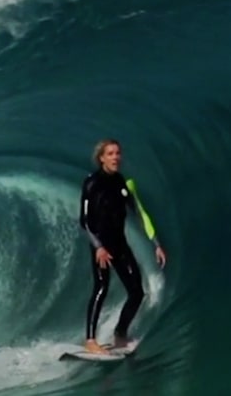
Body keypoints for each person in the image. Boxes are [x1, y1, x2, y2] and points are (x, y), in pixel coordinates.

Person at [78, 138, 167, 355]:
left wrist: (156, 244)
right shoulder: (92, 183)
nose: (116, 157)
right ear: (101, 158)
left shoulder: (122, 183)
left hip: (120, 244)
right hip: (101, 245)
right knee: (101, 287)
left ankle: (120, 334)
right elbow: (85, 220)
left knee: (137, 292)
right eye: (110, 153)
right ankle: (90, 340)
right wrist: (98, 247)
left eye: (118, 153)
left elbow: (139, 213)